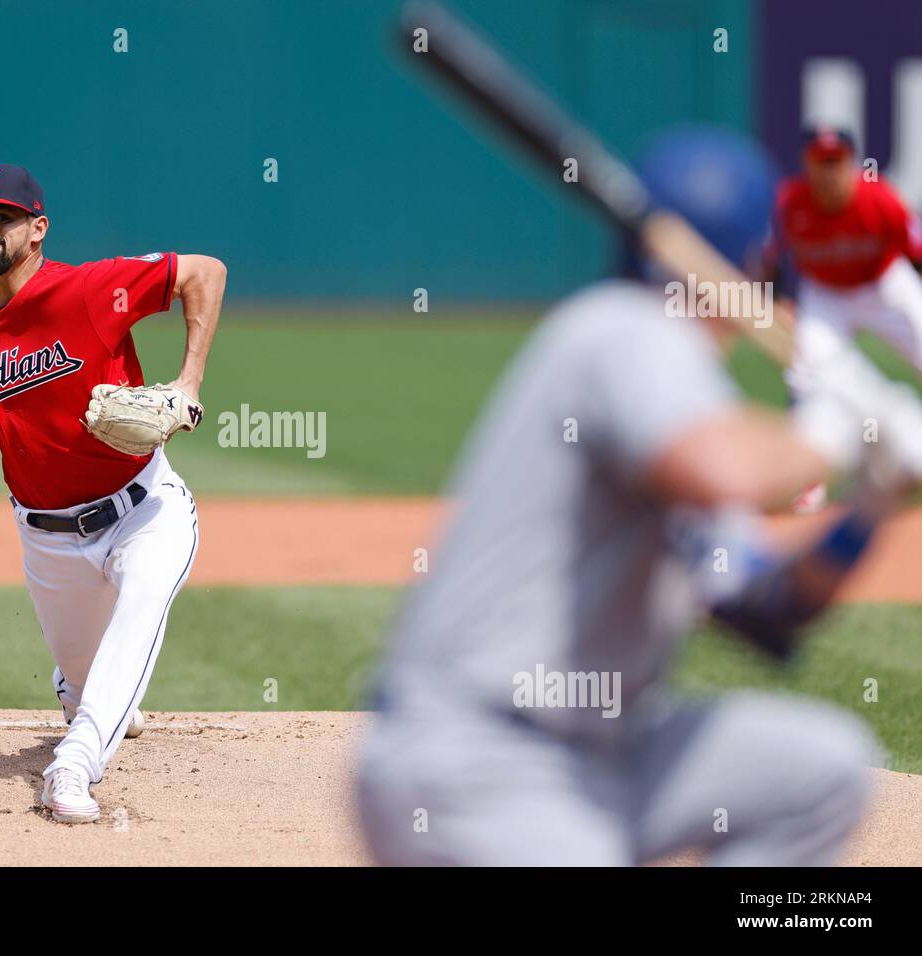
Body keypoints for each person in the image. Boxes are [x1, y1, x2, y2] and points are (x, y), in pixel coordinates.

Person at [356, 126, 922, 865]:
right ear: (757, 261)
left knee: (819, 771)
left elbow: (769, 611)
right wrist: (835, 432)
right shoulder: (620, 332)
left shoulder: (684, 392)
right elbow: (724, 470)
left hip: (602, 758)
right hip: (476, 759)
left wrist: (871, 512)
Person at [0, 136, 226, 823]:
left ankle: (75, 764)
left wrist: (189, 380)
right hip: (46, 539)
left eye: (4, 219)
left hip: (143, 510)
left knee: (143, 601)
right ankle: (89, 700)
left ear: (39, 229)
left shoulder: (90, 288)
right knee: (81, 682)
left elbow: (205, 271)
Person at [762, 127, 922, 512]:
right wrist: (779, 299)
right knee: (806, 371)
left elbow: (916, 249)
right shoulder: (790, 203)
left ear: (851, 163)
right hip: (826, 294)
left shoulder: (880, 198)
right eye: (821, 161)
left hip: (882, 285)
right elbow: (770, 257)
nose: (828, 170)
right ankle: (806, 486)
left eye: (835, 161)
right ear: (807, 164)